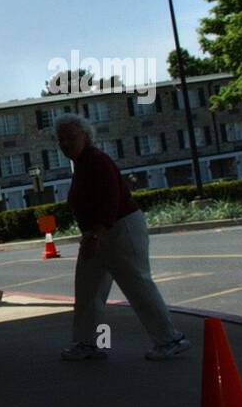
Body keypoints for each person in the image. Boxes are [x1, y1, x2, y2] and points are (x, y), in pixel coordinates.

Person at [55, 113, 191, 361]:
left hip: (119, 230)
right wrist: (92, 236)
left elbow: (110, 198)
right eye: (60, 139)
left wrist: (96, 235)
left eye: (70, 138)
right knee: (87, 289)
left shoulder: (97, 161)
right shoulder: (83, 165)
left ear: (86, 136)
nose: (65, 143)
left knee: (137, 284)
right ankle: (87, 344)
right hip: (99, 233)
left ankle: (170, 339)